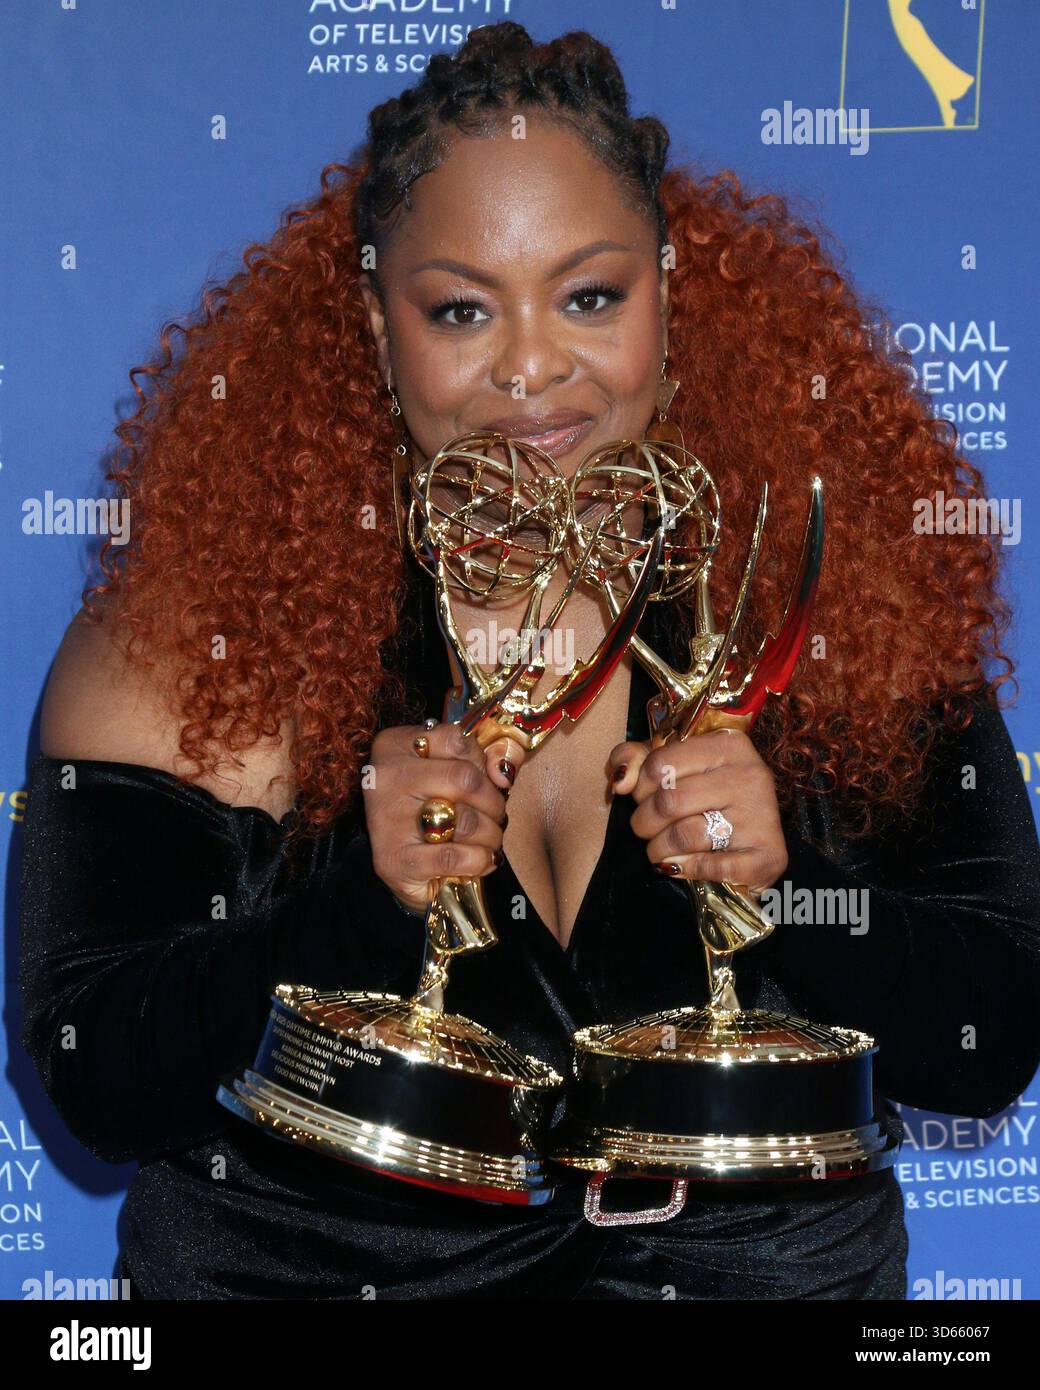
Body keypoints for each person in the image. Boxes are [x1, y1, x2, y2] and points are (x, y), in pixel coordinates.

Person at [17, 23, 1040, 1300]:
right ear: (373, 322)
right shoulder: (210, 629)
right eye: (459, 308)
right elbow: (93, 1069)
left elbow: (987, 1030)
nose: (531, 365)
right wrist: (351, 915)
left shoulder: (824, 600)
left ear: (670, 289)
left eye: (589, 295)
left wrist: (787, 891)